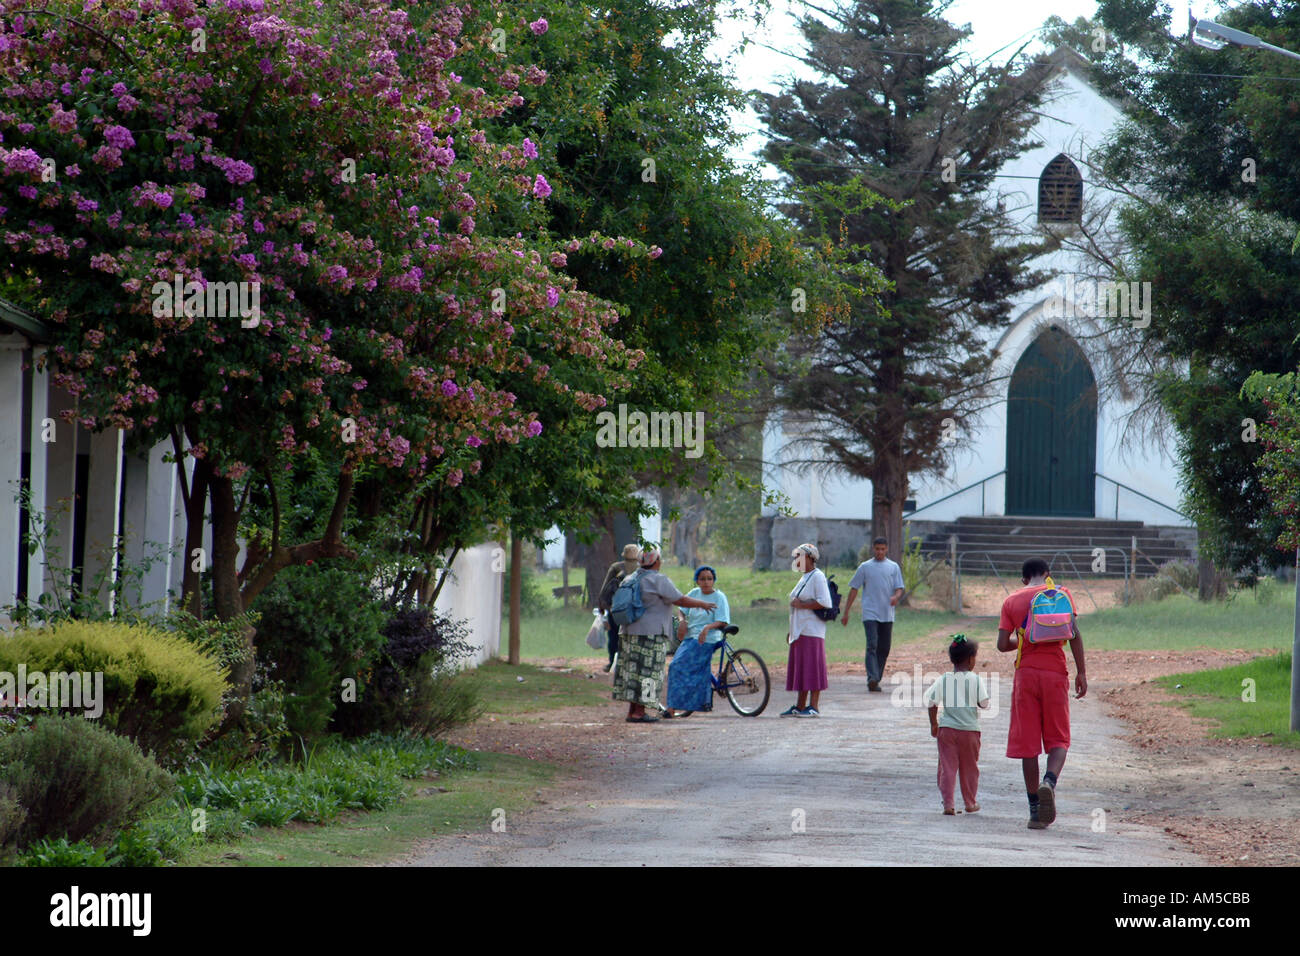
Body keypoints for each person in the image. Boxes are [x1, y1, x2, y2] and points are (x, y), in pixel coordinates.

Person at [996, 558, 1087, 830]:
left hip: (1026, 675)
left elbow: (1002, 645)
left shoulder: (1011, 602)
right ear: (1047, 575)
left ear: (1023, 579)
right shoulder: (1063, 594)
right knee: (1059, 737)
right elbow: (1074, 634)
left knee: (1028, 744)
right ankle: (1050, 781)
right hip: (1056, 673)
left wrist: (1023, 639)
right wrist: (1081, 673)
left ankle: (1035, 811)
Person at [615, 547, 716, 723]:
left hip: (628, 632)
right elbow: (679, 599)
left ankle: (633, 711)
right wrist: (702, 603)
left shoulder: (630, 578)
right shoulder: (657, 579)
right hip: (651, 633)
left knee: (633, 672)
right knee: (648, 673)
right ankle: (640, 713)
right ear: (657, 561)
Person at [925, 635, 990, 815]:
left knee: (947, 768)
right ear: (970, 659)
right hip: (970, 732)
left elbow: (931, 703)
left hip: (947, 731)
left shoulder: (944, 679)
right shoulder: (976, 679)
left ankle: (948, 804)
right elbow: (984, 703)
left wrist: (934, 724)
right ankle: (970, 802)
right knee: (970, 769)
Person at [664, 566, 731, 717]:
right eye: (702, 579)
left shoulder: (719, 597)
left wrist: (707, 627)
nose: (706, 582)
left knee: (676, 665)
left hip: (708, 638)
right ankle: (698, 701)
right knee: (681, 666)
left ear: (714, 580)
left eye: (709, 578)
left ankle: (672, 707)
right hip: (691, 637)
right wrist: (682, 621)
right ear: (697, 581)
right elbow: (681, 609)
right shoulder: (694, 593)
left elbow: (723, 621)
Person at [841, 537, 904, 692]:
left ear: (887, 549)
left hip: (887, 614)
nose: (880, 552)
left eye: (883, 549)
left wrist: (896, 597)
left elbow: (899, 587)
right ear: (873, 549)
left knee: (884, 648)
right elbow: (854, 589)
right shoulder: (865, 567)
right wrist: (846, 612)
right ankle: (872, 678)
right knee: (872, 645)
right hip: (870, 613)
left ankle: (876, 678)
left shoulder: (893, 567)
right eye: (877, 549)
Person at [782, 543, 832, 717]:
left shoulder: (817, 576)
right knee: (802, 668)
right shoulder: (805, 577)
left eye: (800, 557)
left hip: (811, 630)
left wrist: (802, 605)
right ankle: (800, 705)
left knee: (813, 667)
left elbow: (825, 601)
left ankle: (814, 706)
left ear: (810, 558)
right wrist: (792, 629)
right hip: (800, 630)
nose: (797, 560)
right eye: (796, 557)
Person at [597, 544, 641, 672]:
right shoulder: (642, 568)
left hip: (616, 609)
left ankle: (612, 662)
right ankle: (633, 664)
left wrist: (602, 605)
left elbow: (606, 587)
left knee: (614, 636)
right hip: (635, 610)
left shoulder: (616, 567)